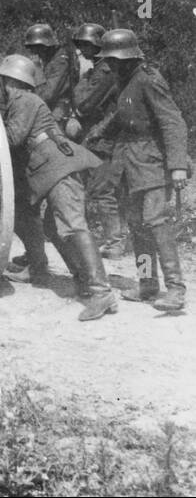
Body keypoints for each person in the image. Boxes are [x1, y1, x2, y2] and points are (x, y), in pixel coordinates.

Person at [0, 55, 116, 321]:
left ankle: (101, 291)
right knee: (53, 227)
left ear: (10, 81)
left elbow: (13, 137)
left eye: (1, 80)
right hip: (52, 168)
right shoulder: (22, 100)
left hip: (59, 168)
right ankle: (83, 279)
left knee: (72, 224)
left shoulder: (24, 99)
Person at [86, 29, 189, 312]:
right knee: (137, 226)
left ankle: (176, 289)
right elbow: (122, 113)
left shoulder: (148, 79)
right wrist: (99, 132)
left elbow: (172, 121)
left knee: (156, 221)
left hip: (152, 162)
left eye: (114, 59)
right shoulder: (124, 80)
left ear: (129, 58)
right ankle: (147, 284)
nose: (109, 64)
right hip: (128, 163)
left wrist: (178, 165)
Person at [70, 23, 124, 258]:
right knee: (88, 185)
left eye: (87, 45)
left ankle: (115, 241)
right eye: (81, 45)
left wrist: (82, 79)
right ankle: (90, 236)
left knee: (101, 188)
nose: (83, 50)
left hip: (102, 136)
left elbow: (84, 105)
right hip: (101, 135)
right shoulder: (103, 68)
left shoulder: (102, 71)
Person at [23, 23, 76, 121]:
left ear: (45, 46)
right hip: (47, 105)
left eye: (35, 47)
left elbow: (47, 95)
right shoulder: (48, 59)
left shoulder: (60, 61)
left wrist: (37, 68)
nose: (32, 51)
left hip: (60, 108)